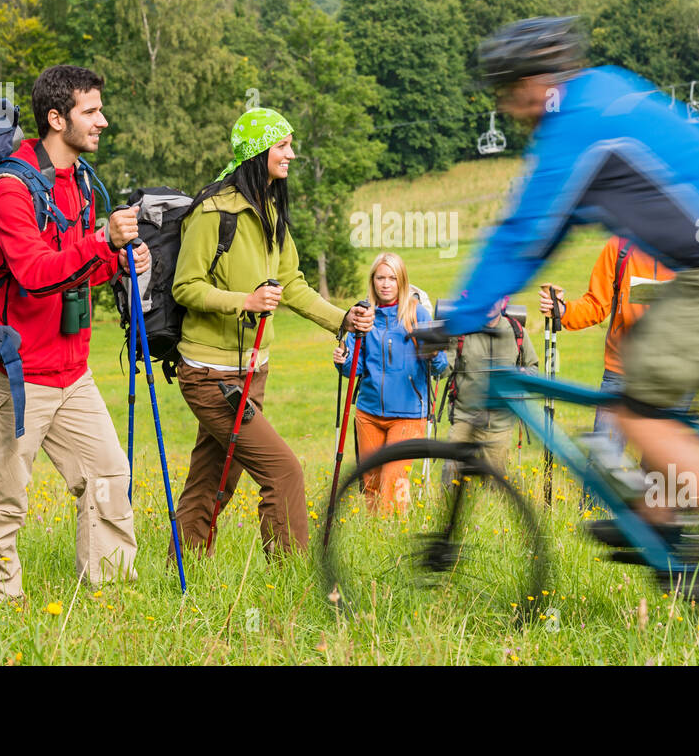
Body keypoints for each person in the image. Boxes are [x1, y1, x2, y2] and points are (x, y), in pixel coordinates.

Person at [435, 16, 699, 601]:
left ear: (536, 81)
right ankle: (653, 514)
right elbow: (554, 229)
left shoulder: (575, 125)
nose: (508, 108)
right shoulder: (602, 90)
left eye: (508, 92)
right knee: (648, 385)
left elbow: (525, 234)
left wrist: (458, 314)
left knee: (635, 412)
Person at [0, 65, 150, 601]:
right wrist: (101, 243)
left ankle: (110, 595)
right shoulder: (11, 188)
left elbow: (76, 271)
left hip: (71, 371)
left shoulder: (82, 183)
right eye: (90, 112)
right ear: (55, 118)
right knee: (5, 497)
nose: (102, 122)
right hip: (12, 373)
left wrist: (116, 261)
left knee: (109, 476)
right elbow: (35, 275)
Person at [170, 107, 373, 556]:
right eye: (282, 146)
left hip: (250, 372)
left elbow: (293, 285)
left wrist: (342, 319)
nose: (292, 154)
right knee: (284, 472)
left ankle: (181, 569)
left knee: (213, 480)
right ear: (258, 151)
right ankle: (290, 574)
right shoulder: (213, 212)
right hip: (210, 375)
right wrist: (244, 301)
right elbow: (185, 286)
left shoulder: (272, 211)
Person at [331, 252, 448, 515]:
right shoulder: (363, 316)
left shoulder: (418, 314)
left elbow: (440, 368)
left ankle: (393, 539)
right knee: (371, 484)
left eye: (392, 278)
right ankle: (376, 540)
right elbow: (354, 370)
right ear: (372, 281)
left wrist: (434, 353)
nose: (385, 284)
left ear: (402, 281)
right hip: (368, 413)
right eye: (380, 278)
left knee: (393, 483)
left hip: (407, 415)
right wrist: (342, 360)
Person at [538, 236, 676, 436]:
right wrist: (563, 310)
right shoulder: (620, 246)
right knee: (602, 457)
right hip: (620, 372)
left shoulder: (687, 244)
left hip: (673, 376)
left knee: (663, 464)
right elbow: (595, 304)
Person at [439, 296, 538, 479]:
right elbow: (443, 370)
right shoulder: (462, 332)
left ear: (503, 302)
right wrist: (434, 355)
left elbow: (533, 368)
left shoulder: (517, 332)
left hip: (500, 426)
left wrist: (523, 375)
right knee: (451, 482)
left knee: (495, 488)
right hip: (464, 420)